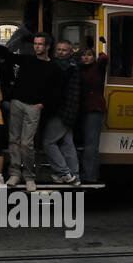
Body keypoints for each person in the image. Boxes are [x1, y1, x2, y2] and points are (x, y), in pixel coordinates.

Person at [0, 32, 61, 192]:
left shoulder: (53, 67)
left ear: (48, 46)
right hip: (17, 102)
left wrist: (43, 104)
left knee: (27, 143)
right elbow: (7, 55)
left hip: (34, 107)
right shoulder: (27, 59)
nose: (37, 47)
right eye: (35, 44)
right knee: (13, 140)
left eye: (40, 44)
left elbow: (56, 91)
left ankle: (29, 176)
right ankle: (15, 173)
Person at [41, 39, 82, 184]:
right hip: (70, 111)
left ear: (70, 52)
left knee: (48, 142)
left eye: (64, 50)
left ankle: (64, 172)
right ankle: (75, 175)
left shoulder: (63, 66)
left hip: (62, 111)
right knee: (67, 143)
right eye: (58, 49)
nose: (60, 52)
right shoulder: (74, 65)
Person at [78, 45, 108, 184]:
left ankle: (90, 176)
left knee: (91, 145)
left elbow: (104, 58)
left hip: (95, 109)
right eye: (83, 55)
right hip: (83, 110)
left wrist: (100, 48)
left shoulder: (97, 68)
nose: (86, 57)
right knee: (87, 144)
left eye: (89, 54)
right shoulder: (79, 69)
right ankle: (87, 173)